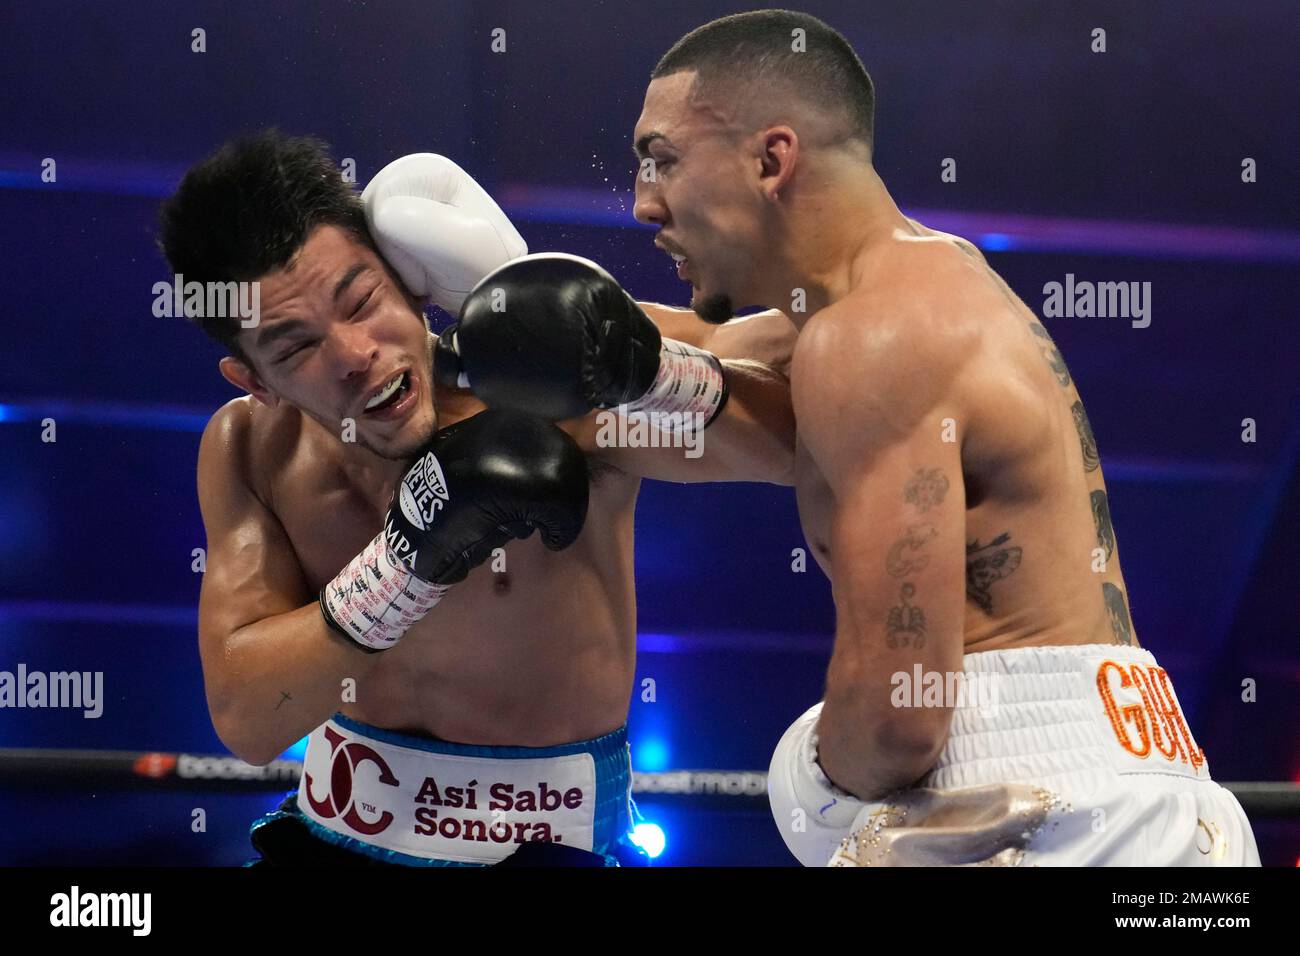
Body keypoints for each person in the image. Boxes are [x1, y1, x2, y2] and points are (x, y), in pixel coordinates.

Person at [628, 9, 1259, 865]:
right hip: (1153, 788)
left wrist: (806, 784)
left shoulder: (872, 341)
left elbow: (897, 724)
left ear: (770, 159)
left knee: (807, 772)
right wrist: (479, 296)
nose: (642, 202)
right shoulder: (920, 285)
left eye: (661, 158)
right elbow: (669, 347)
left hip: (1034, 804)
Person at [157, 130, 796, 866]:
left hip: (549, 848)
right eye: (297, 347)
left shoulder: (550, 382)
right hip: (331, 840)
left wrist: (650, 371)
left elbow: (797, 442)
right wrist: (405, 564)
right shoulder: (250, 446)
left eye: (362, 300)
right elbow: (246, 719)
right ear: (256, 383)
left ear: (407, 279)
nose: (354, 354)